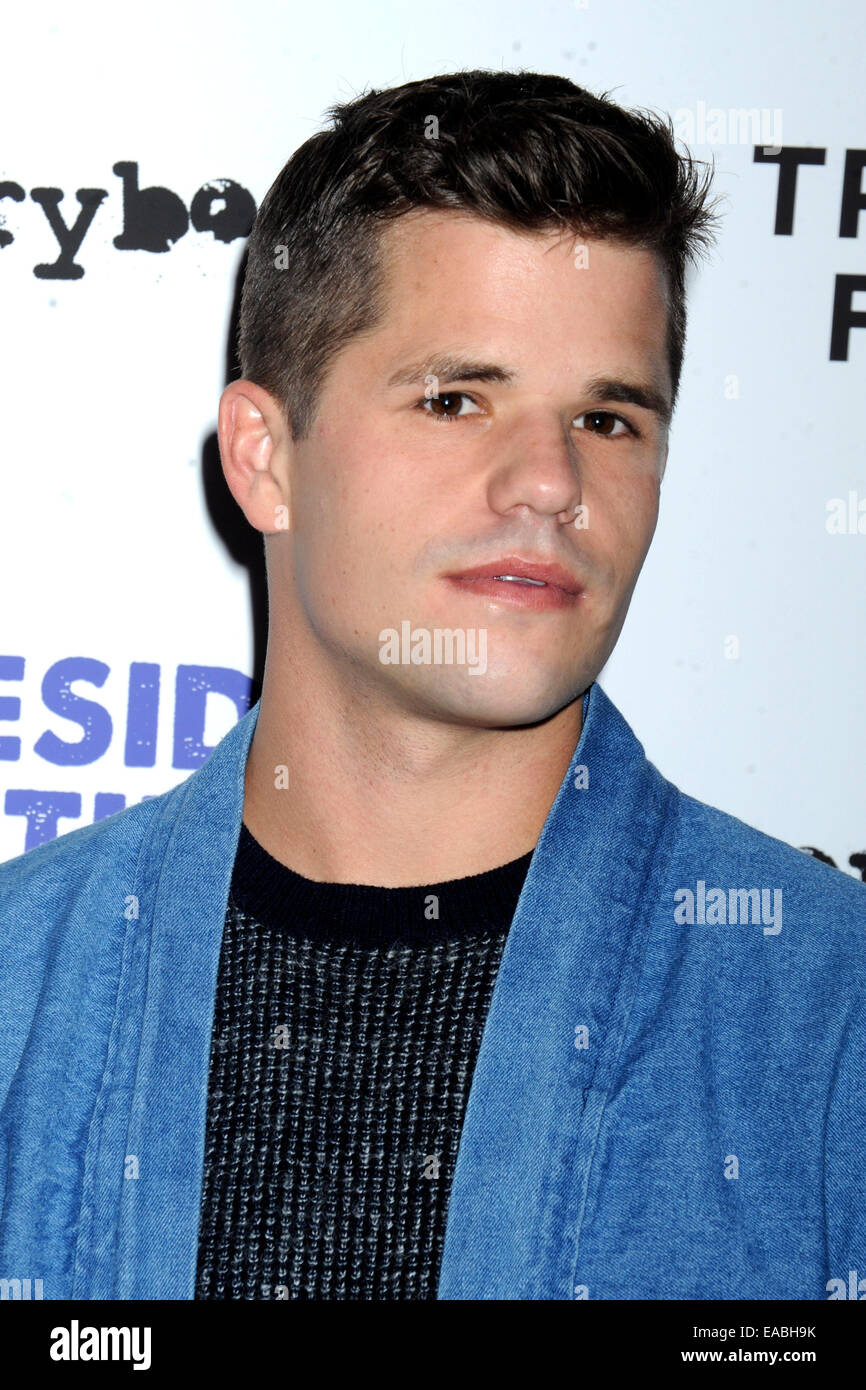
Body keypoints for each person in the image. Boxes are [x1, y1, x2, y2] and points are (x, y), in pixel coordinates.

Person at [1, 69, 863, 1303]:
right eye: (455, 399)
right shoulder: (22, 985)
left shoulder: (828, 1018)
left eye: (609, 420)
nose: (550, 484)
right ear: (264, 457)